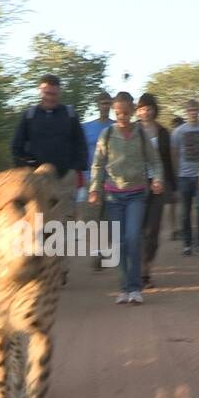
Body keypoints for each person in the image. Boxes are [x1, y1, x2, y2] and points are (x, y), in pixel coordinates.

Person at [11, 74, 89, 282]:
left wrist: (76, 169)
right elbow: (16, 147)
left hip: (64, 179)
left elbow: (80, 144)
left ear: (59, 92)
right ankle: (40, 268)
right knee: (37, 224)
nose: (50, 96)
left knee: (63, 224)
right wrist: (25, 169)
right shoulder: (29, 115)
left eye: (53, 93)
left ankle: (60, 267)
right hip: (37, 182)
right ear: (40, 91)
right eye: (46, 92)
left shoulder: (69, 115)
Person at [88, 92, 165, 305]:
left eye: (126, 113)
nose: (122, 117)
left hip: (137, 194)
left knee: (133, 237)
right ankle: (124, 287)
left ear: (132, 111)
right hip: (113, 195)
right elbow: (98, 164)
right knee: (119, 241)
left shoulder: (141, 135)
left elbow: (155, 161)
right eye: (118, 113)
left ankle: (135, 287)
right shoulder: (107, 135)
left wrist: (157, 179)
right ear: (115, 111)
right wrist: (94, 189)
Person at [136, 93, 176, 288]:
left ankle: (146, 269)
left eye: (149, 108)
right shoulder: (131, 131)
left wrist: (172, 185)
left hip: (158, 185)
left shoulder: (163, 132)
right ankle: (136, 269)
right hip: (135, 185)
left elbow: (169, 161)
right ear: (137, 111)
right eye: (142, 108)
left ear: (154, 109)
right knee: (137, 228)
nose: (146, 111)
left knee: (153, 228)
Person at [171, 100, 199, 257]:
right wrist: (176, 174)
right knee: (185, 212)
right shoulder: (178, 132)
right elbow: (174, 153)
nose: (193, 113)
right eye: (190, 110)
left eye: (195, 110)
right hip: (184, 177)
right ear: (186, 112)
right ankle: (187, 244)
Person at [82, 91, 115, 270]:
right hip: (91, 177)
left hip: (112, 178)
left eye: (107, 103)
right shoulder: (86, 127)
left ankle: (104, 248)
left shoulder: (115, 127)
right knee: (92, 216)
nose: (105, 106)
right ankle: (96, 251)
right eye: (102, 103)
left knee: (108, 217)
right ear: (97, 105)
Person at [166, 116, 186, 241]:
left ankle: (174, 229)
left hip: (172, 173)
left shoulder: (171, 137)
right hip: (173, 173)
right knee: (175, 202)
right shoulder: (174, 137)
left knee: (173, 203)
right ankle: (174, 229)